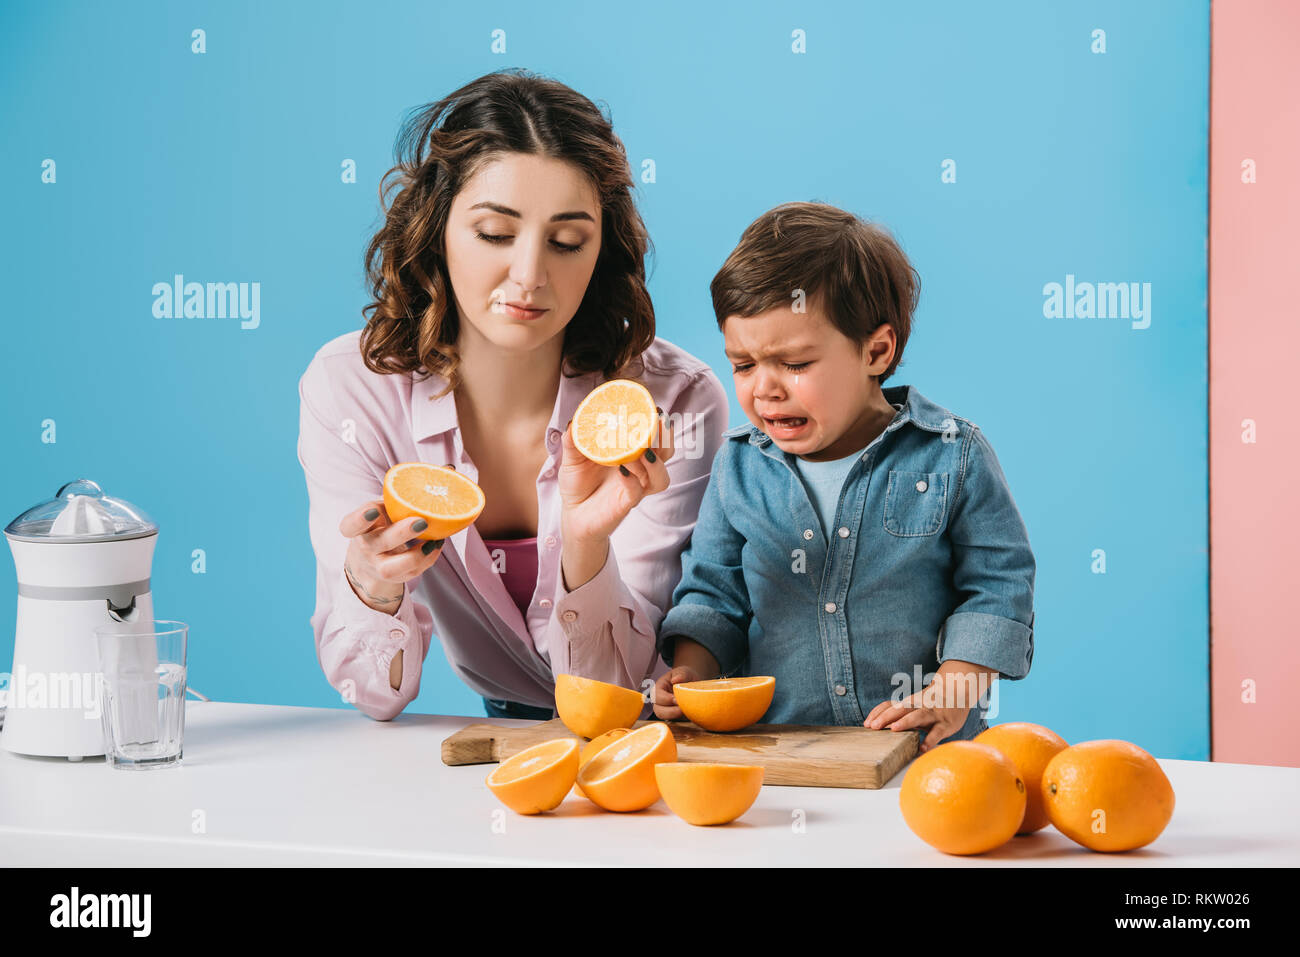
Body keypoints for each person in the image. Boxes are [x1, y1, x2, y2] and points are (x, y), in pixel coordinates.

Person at [297, 69, 727, 722]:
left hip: (656, 734)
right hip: (505, 730)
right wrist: (371, 580)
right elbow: (376, 693)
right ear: (437, 228)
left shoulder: (673, 400)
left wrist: (586, 546)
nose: (529, 276)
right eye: (495, 234)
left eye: (566, 242)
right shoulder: (353, 390)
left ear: (601, 248)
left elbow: (619, 691)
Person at [652, 202, 1036, 753]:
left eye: (795, 364)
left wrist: (954, 688)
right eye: (743, 365)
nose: (765, 389)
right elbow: (713, 592)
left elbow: (999, 586)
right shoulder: (738, 467)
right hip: (784, 756)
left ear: (876, 351)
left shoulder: (952, 455)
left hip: (930, 754)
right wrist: (690, 672)